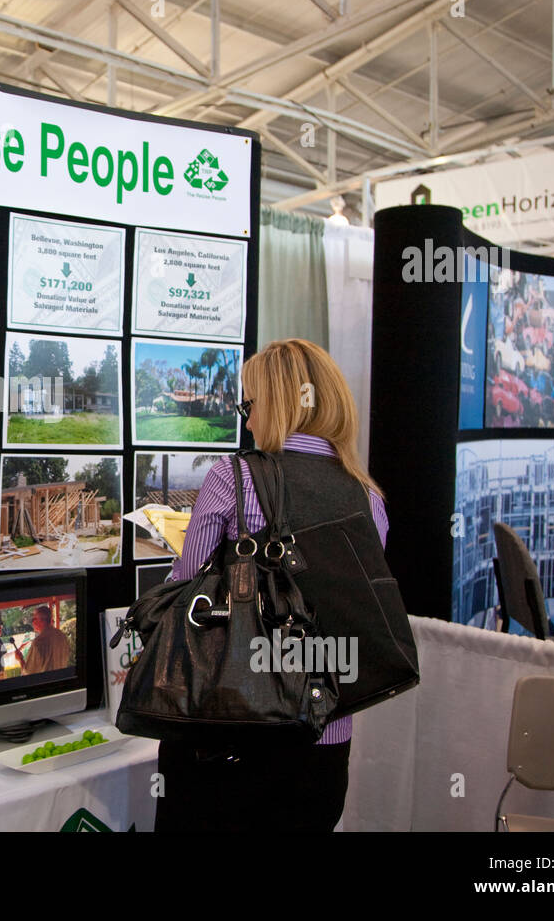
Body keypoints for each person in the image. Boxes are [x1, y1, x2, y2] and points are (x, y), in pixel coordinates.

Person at [160, 338, 389, 833]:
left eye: (250, 404)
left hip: (229, 735)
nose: (246, 420)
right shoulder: (367, 497)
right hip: (324, 746)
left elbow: (185, 597)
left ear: (282, 403)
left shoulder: (233, 479)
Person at [20, 605, 70, 674]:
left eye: (34, 619)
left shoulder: (39, 642)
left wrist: (20, 659)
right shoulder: (62, 635)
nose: (32, 622)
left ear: (42, 620)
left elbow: (28, 673)